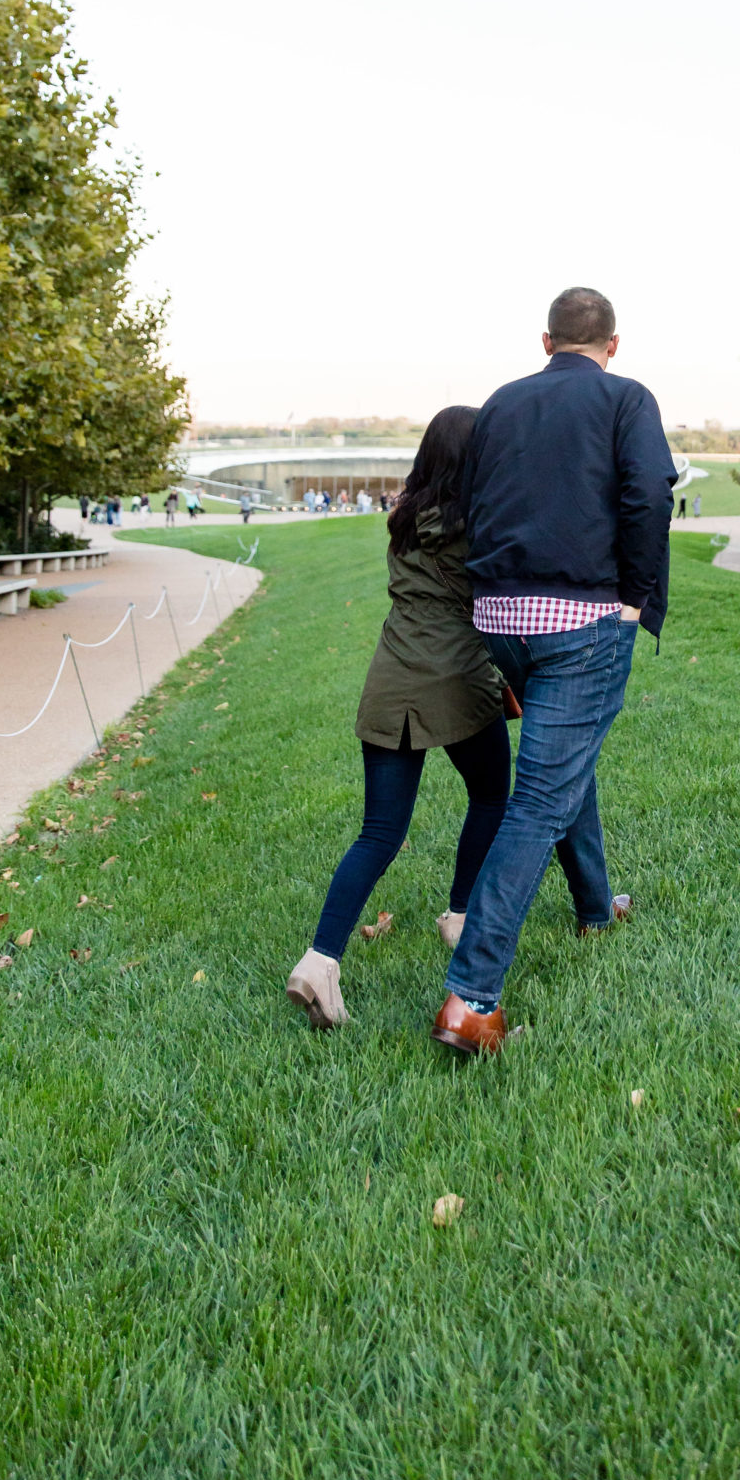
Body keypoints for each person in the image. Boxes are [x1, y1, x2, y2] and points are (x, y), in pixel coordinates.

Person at [432, 285, 675, 1057]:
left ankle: (596, 908)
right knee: (540, 796)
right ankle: (471, 999)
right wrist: (635, 598)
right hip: (581, 617)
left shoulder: (501, 403)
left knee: (565, 761)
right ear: (612, 344)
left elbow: (472, 502)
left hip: (500, 616)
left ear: (546, 343)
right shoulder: (626, 398)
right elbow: (647, 495)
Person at [286, 407, 512, 1031]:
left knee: (379, 834)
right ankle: (460, 914)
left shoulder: (405, 518)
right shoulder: (482, 524)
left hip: (390, 678)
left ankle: (318, 961)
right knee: (493, 795)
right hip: (456, 681)